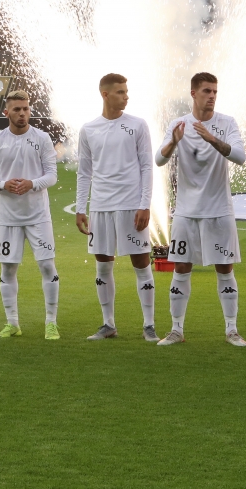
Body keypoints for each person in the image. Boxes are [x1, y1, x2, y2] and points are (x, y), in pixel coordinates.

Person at [154, 72, 246, 347]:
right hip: (186, 211)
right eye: (207, 91)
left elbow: (240, 157)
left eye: (215, 92)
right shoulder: (178, 124)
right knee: (181, 268)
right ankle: (175, 330)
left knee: (225, 269)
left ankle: (232, 330)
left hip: (219, 210)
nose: (212, 96)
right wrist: (173, 141)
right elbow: (159, 159)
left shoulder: (227, 123)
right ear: (193, 93)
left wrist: (212, 139)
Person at [75, 73, 155, 341]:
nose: (126, 96)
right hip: (100, 207)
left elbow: (146, 166)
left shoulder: (138, 125)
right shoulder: (89, 129)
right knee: (103, 265)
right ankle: (108, 324)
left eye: (127, 91)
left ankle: (149, 325)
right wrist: (80, 208)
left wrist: (145, 205)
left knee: (142, 264)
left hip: (131, 206)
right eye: (120, 92)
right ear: (105, 95)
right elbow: (84, 172)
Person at [0, 90, 62, 339]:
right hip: (8, 217)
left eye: (26, 109)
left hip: (38, 216)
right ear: (6, 112)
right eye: (17, 109)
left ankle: (51, 323)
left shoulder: (42, 138)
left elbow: (52, 175)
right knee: (7, 269)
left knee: (47, 266)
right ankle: (12, 323)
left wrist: (32, 183)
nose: (23, 113)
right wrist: (3, 185)